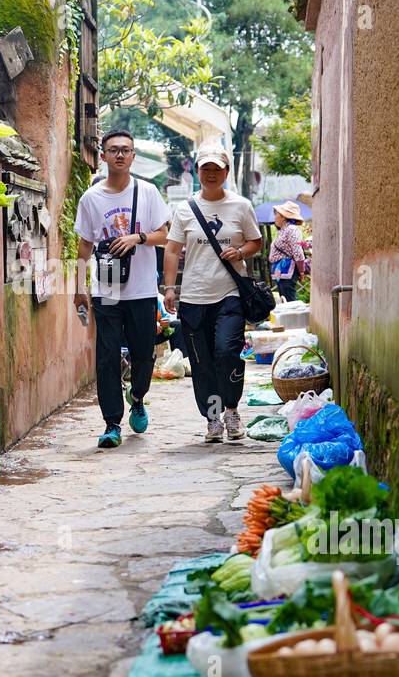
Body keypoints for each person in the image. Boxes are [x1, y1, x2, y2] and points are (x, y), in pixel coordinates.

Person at [73, 129, 172, 448]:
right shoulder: (91, 198)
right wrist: (78, 286)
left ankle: (138, 397)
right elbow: (84, 245)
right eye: (113, 150)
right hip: (107, 289)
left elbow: (164, 236)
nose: (119, 155)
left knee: (144, 354)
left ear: (133, 156)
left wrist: (137, 238)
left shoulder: (147, 192)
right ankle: (111, 423)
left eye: (125, 150)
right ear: (102, 156)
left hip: (142, 288)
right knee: (106, 356)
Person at [162, 148, 263, 442]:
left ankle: (231, 410)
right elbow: (171, 249)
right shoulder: (185, 209)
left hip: (230, 294)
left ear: (226, 172)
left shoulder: (241, 206)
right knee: (202, 362)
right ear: (197, 171)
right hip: (194, 297)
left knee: (226, 352)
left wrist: (240, 251)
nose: (211, 173)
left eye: (217, 169)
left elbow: (256, 241)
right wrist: (170, 288)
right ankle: (213, 419)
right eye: (205, 168)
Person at [270, 201, 306, 302]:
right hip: (281, 270)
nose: (275, 217)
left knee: (289, 300)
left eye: (276, 214)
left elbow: (298, 251)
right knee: (284, 299)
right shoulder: (283, 230)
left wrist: (301, 271)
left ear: (283, 217)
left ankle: (293, 318)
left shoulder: (292, 229)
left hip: (287, 269)